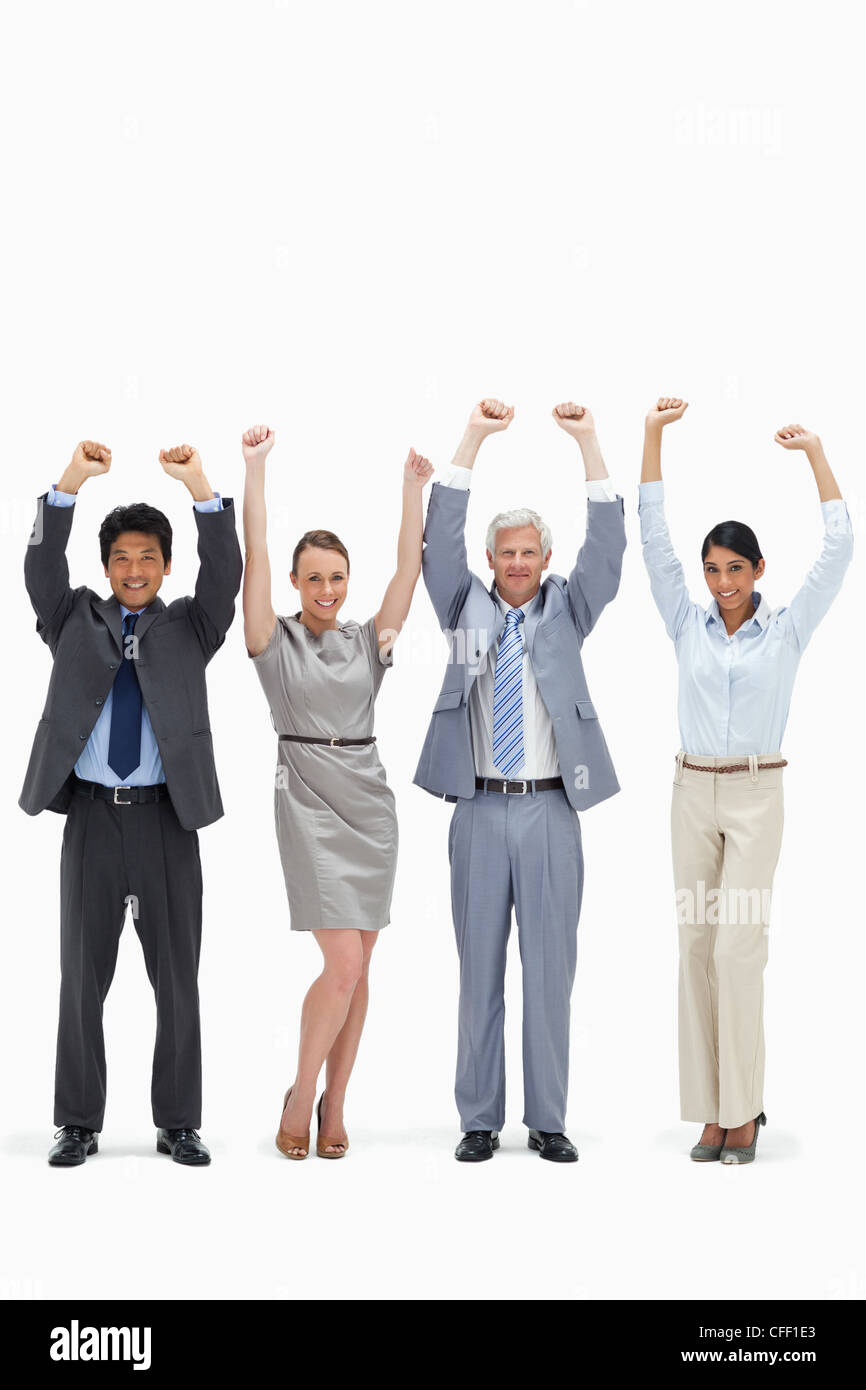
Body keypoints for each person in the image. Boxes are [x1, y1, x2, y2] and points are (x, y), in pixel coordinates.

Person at [639, 398, 854, 1164]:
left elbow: (840, 549)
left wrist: (816, 457)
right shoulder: (684, 622)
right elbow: (654, 543)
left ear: (759, 570)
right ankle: (710, 1113)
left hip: (757, 796)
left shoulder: (788, 627)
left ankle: (746, 1109)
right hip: (692, 793)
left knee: (739, 951)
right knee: (695, 946)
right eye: (713, 570)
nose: (722, 581)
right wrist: (653, 437)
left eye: (735, 569)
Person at [414, 397, 626, 1163]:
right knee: (480, 974)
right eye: (504, 553)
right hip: (476, 808)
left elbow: (607, 548)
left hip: (549, 812)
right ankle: (479, 1118)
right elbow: (438, 545)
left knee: (549, 974)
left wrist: (588, 443)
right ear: (493, 559)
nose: (515, 565)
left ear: (543, 559)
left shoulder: (569, 608)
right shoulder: (465, 605)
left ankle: (547, 1119)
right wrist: (472, 437)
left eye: (527, 554)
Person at [21, 439, 243, 1167]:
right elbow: (39, 566)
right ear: (106, 566)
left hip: (166, 822)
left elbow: (227, 575)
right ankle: (77, 1122)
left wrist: (201, 487)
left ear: (166, 566)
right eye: (121, 559)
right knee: (81, 976)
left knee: (177, 977)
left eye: (148, 558)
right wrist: (71, 483)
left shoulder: (192, 627)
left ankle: (179, 1121)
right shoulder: (71, 617)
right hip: (89, 816)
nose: (135, 571)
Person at [242, 424, 433, 1159]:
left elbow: (406, 574)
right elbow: (256, 556)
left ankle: (336, 1104)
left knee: (363, 968)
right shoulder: (272, 640)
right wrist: (255, 470)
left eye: (336, 577)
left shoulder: (366, 640)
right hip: (307, 802)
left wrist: (411, 490)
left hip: (370, 805)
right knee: (342, 963)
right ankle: (298, 1090)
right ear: (296, 583)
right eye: (314, 577)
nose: (327, 590)